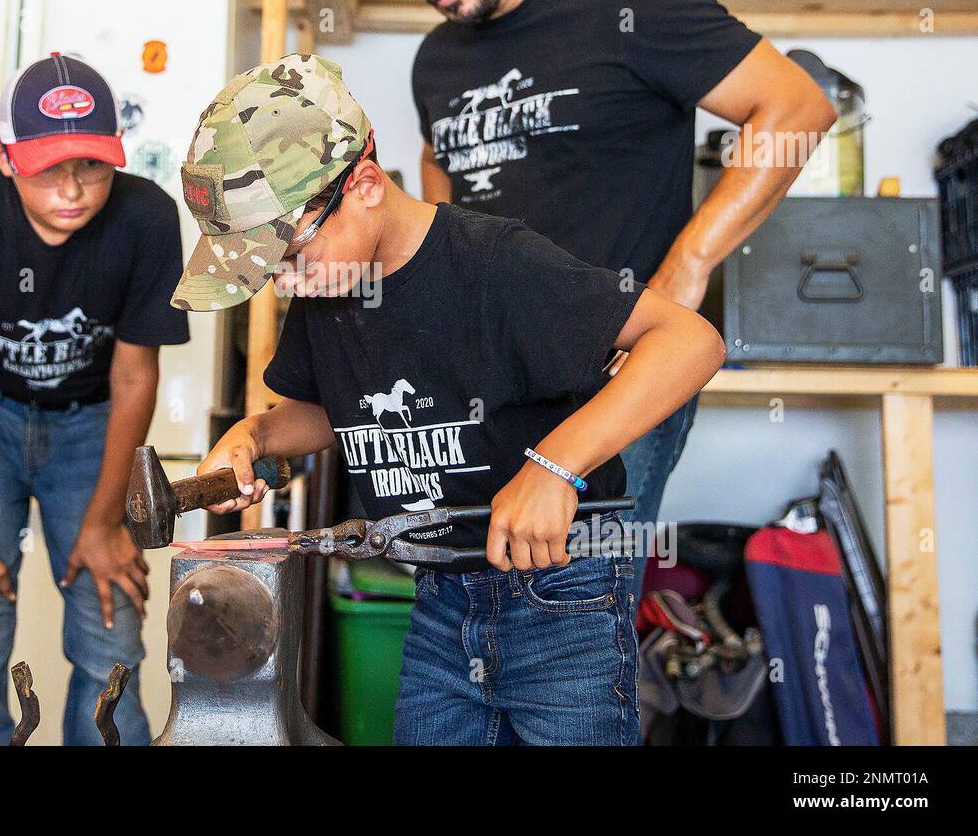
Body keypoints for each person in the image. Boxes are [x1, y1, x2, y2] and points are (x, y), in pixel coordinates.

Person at [172, 53, 725, 745]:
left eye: (289, 257)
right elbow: (330, 410)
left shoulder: (497, 264)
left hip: (560, 598)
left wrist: (555, 466)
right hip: (437, 600)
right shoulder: (326, 286)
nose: (284, 283)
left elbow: (689, 341)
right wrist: (256, 436)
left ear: (365, 184)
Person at [355, 0, 836, 592]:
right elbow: (440, 170)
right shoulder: (438, 60)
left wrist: (686, 269)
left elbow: (797, 105)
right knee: (475, 597)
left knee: (578, 613)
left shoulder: (633, 0)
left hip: (617, 371)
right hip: (488, 379)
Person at [0, 52, 188, 745]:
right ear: (3, 153)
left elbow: (134, 377)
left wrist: (106, 523)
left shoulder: (146, 218)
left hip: (93, 429)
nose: (74, 188)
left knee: (109, 623)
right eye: (49, 165)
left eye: (92, 165)